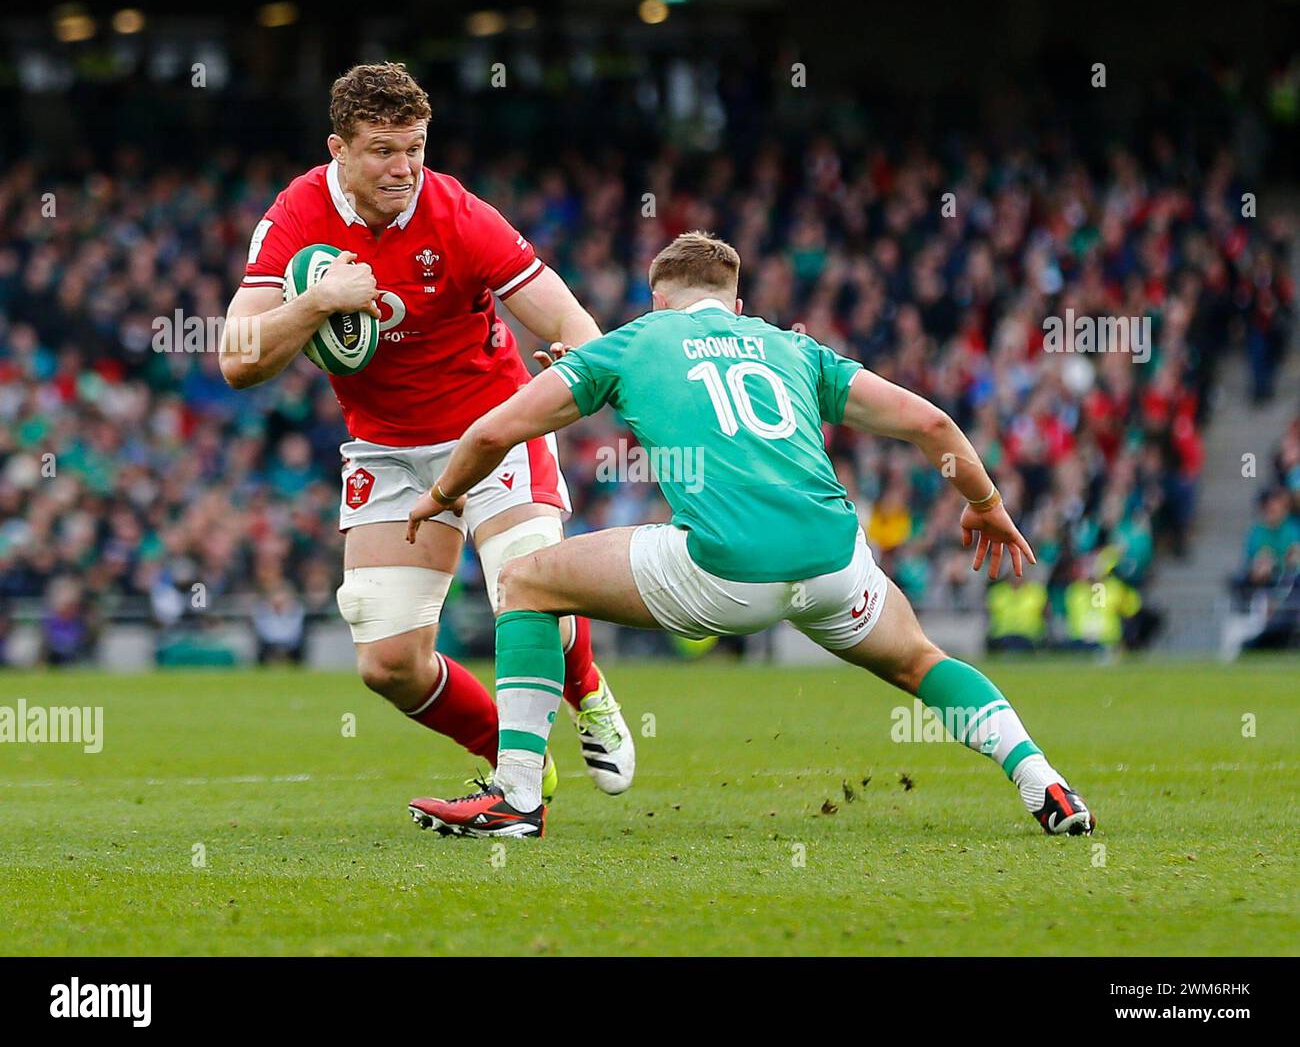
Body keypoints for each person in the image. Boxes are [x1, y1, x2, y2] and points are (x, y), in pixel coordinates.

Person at [405, 231, 1096, 839]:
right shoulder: (792, 348)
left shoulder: (632, 344)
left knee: (525, 582)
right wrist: (984, 502)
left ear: (656, 302)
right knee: (920, 660)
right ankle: (1043, 779)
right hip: (833, 563)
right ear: (736, 306)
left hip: (725, 573)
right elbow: (931, 425)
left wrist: (438, 496)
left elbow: (494, 430)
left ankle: (518, 797)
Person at [219, 62, 634, 802]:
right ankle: (520, 755)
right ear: (338, 150)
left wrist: (580, 356)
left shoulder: (461, 215)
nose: (404, 167)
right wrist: (318, 302)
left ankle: (588, 696)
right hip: (384, 447)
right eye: (383, 149)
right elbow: (237, 360)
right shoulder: (295, 215)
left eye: (415, 147)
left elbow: (573, 321)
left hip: (493, 428)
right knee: (388, 663)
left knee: (527, 590)